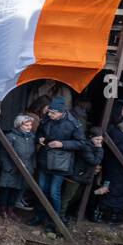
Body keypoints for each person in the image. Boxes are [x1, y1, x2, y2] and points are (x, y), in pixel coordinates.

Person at [31, 97, 83, 229]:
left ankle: (54, 221)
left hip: (61, 162)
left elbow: (81, 143)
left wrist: (63, 144)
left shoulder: (73, 123)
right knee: (41, 190)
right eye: (49, 112)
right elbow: (39, 133)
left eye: (53, 113)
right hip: (45, 158)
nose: (49, 114)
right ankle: (39, 216)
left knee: (54, 192)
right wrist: (40, 139)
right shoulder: (46, 119)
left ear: (61, 112)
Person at [0, 113, 37, 220]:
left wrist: (31, 168)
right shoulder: (10, 136)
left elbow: (32, 155)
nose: (29, 127)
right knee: (6, 190)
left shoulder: (32, 138)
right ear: (19, 125)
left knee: (16, 191)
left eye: (30, 125)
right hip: (10, 169)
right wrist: (8, 167)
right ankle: (3, 210)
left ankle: (10, 211)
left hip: (24, 170)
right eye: (26, 125)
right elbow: (3, 153)